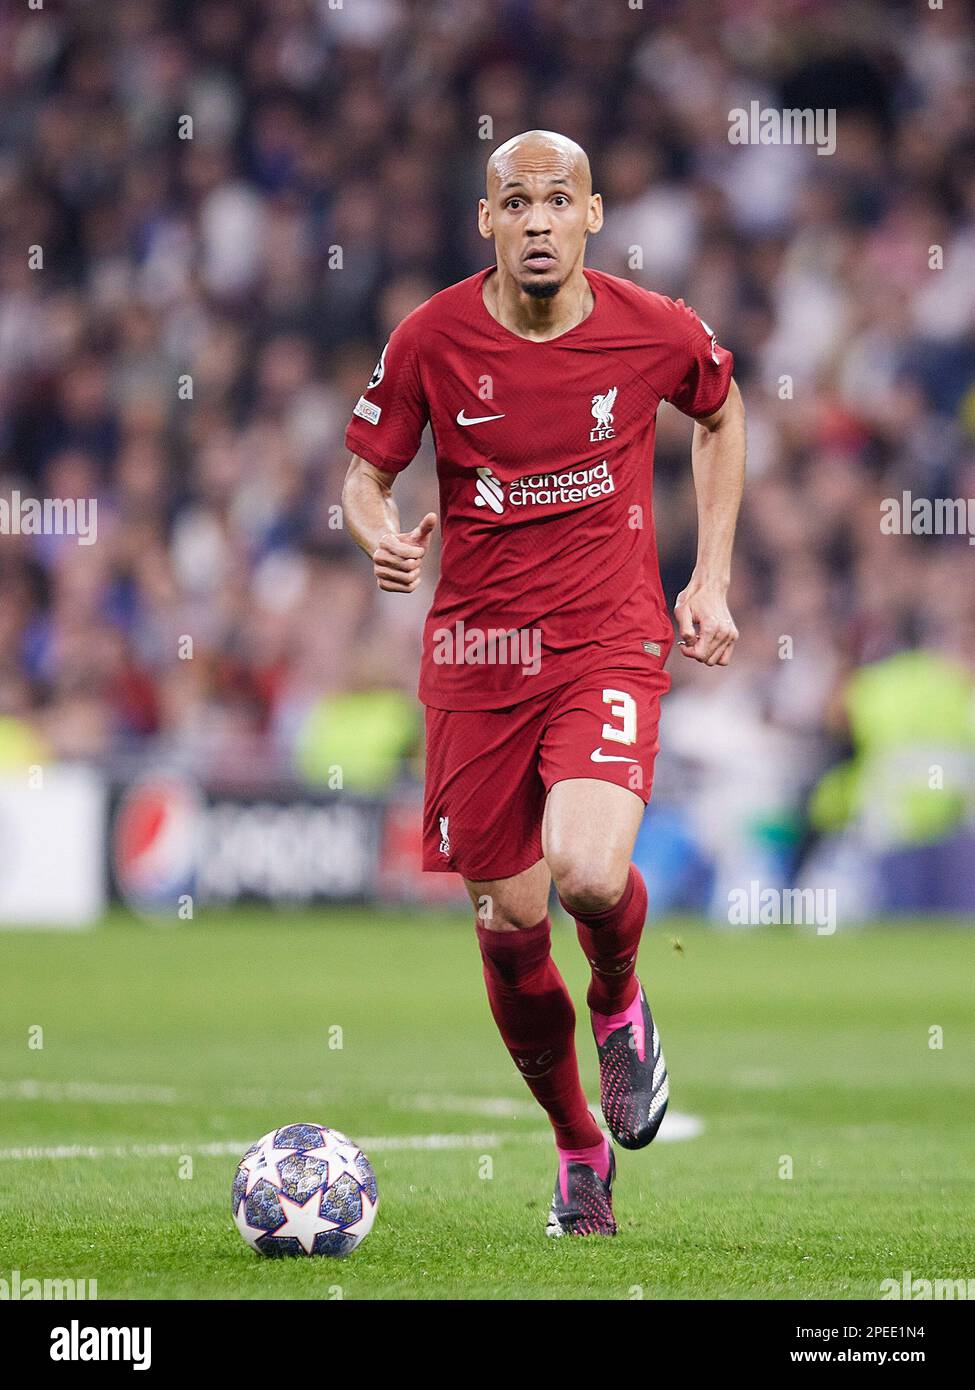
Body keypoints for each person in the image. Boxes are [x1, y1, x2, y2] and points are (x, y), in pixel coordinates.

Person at [342, 130, 746, 1236]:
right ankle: (577, 1146)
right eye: (513, 202)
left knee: (584, 868)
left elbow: (719, 407)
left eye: (555, 201)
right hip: (476, 659)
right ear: (487, 222)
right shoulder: (430, 337)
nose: (534, 220)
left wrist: (706, 576)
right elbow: (364, 477)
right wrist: (380, 534)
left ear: (591, 216)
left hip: (608, 639)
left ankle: (619, 994)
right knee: (509, 923)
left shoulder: (650, 329)